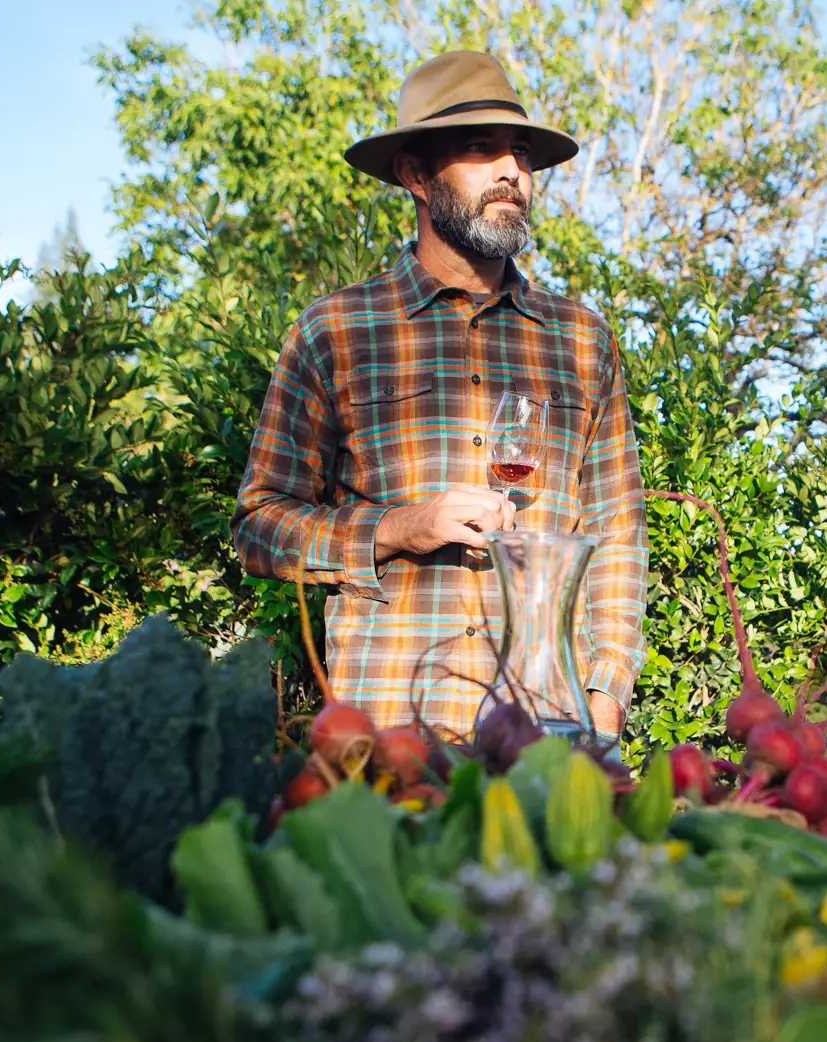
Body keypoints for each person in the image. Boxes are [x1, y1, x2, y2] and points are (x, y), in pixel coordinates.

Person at [232, 50, 648, 742]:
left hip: (546, 729)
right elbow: (257, 526)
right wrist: (396, 529)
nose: (510, 169)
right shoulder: (335, 331)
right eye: (478, 149)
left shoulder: (582, 340)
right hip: (391, 734)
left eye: (519, 150)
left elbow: (617, 534)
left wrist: (602, 706)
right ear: (415, 174)